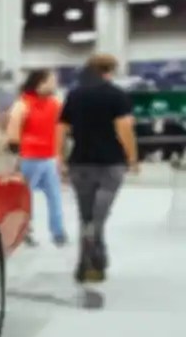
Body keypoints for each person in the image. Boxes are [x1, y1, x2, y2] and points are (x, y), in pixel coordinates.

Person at [60, 54, 140, 283]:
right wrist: (133, 158)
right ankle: (96, 260)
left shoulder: (74, 95)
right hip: (110, 164)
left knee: (86, 217)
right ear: (109, 71)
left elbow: (62, 129)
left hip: (80, 162)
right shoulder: (117, 95)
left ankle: (87, 264)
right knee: (98, 217)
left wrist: (60, 157)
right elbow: (124, 129)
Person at [6, 69, 66, 247]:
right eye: (51, 80)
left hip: (48, 157)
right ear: (40, 83)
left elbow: (59, 130)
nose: (55, 84)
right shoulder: (23, 104)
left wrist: (59, 155)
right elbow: (13, 128)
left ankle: (58, 232)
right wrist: (16, 151)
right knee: (26, 198)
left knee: (55, 196)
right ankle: (25, 232)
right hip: (30, 158)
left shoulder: (55, 104)